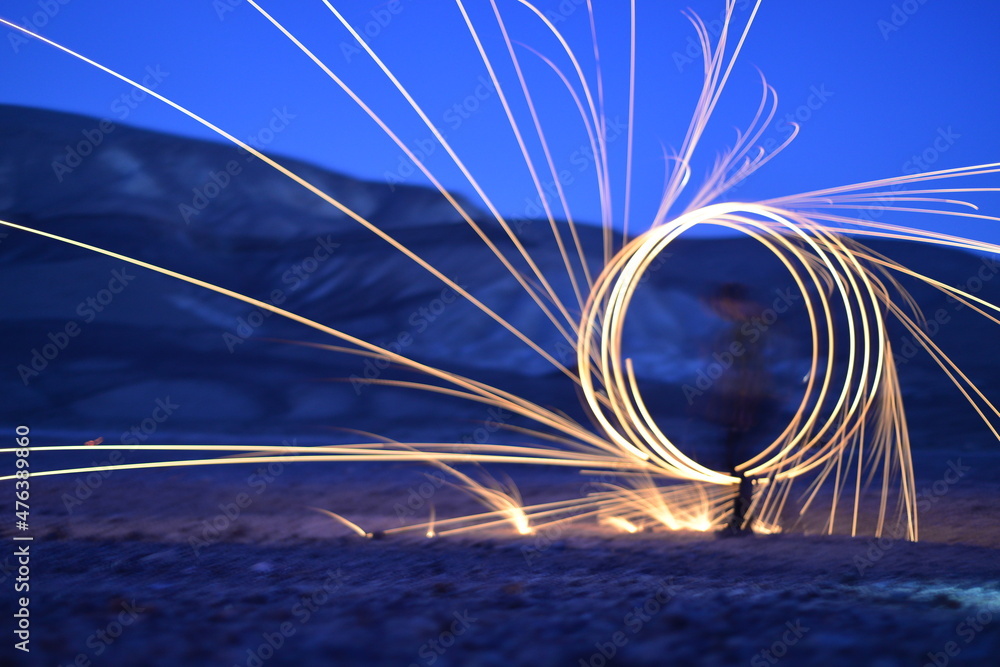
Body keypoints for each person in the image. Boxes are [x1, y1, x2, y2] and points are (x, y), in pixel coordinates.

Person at [703, 282, 772, 537]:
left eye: (720, 304)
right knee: (737, 461)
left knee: (740, 462)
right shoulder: (746, 326)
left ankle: (741, 521)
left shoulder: (747, 329)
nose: (717, 310)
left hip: (748, 400)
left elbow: (748, 369)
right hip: (743, 399)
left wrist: (742, 406)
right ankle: (740, 519)